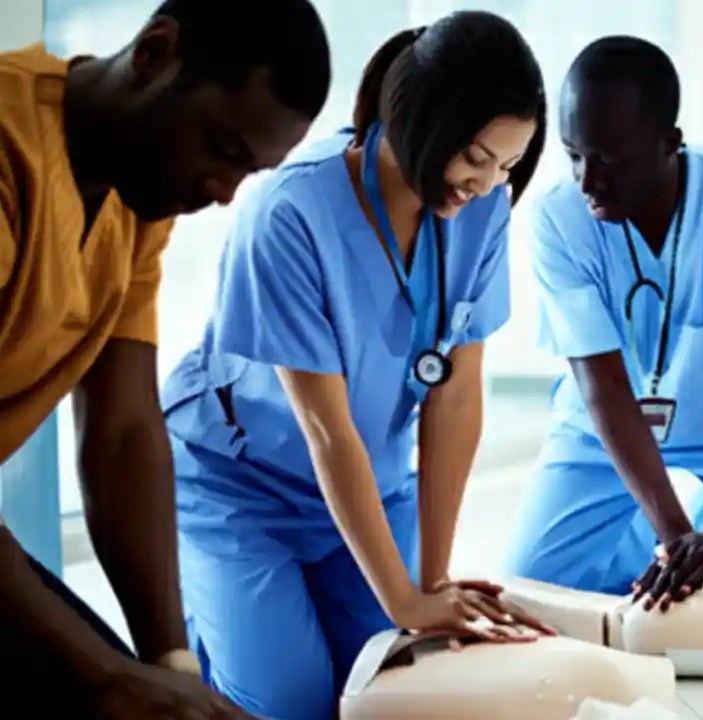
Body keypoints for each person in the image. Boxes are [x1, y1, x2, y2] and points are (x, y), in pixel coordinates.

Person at [159, 12, 556, 719]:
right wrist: (404, 597)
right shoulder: (290, 211)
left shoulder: (482, 209)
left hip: (372, 482)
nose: (489, 183)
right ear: (421, 118)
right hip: (243, 489)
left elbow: (457, 395)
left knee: (387, 686)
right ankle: (198, 642)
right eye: (474, 155)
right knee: (291, 702)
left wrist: (432, 584)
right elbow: (325, 430)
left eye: (509, 165)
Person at [0, 0, 330, 716]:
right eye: (222, 149)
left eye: (251, 173)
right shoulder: (9, 150)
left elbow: (122, 432)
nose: (221, 193)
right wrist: (110, 678)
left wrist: (172, 670)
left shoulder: (134, 196)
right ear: (155, 52)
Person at [505, 36, 703, 611]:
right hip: (600, 438)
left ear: (669, 144)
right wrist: (675, 538)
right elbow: (601, 388)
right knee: (532, 591)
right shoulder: (558, 217)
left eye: (610, 158)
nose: (588, 180)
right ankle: (641, 534)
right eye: (575, 154)